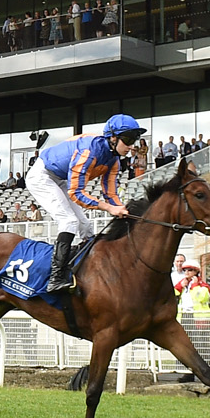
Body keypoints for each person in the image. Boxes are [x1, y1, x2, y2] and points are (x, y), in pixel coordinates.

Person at [27, 115, 146, 291]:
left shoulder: (113, 160)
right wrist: (109, 208)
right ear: (113, 138)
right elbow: (76, 193)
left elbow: (110, 194)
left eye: (134, 140)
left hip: (60, 178)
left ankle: (86, 269)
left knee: (86, 226)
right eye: (128, 139)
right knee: (69, 221)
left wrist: (120, 209)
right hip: (41, 175)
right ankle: (56, 278)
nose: (131, 146)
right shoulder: (89, 152)